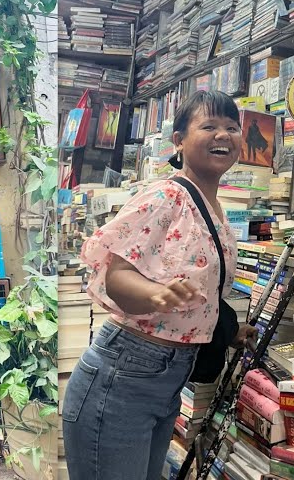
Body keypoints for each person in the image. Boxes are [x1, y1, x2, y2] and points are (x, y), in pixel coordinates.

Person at [62, 91, 258, 480]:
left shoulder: (214, 208)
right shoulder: (165, 196)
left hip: (167, 380)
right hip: (123, 376)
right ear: (179, 140)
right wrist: (155, 294)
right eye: (209, 126)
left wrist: (230, 331)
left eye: (231, 127)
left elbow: (202, 291)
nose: (223, 135)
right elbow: (117, 276)